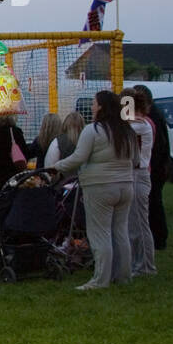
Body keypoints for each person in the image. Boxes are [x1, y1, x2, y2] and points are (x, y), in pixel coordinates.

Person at [50, 90, 138, 290]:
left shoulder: (93, 130)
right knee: (120, 231)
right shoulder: (127, 131)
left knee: (100, 234)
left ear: (102, 107)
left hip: (100, 187)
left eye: (94, 104)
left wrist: (57, 167)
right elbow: (136, 160)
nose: (92, 107)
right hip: (126, 186)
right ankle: (123, 276)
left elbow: (79, 158)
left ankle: (100, 280)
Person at [120, 89, 156, 276]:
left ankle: (145, 266)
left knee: (139, 224)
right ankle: (138, 263)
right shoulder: (137, 123)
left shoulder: (141, 125)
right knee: (132, 223)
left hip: (139, 174)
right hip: (134, 174)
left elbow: (121, 130)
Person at [133, 85, 170, 250]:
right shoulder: (154, 115)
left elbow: (158, 146)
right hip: (156, 167)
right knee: (153, 203)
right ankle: (158, 238)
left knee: (153, 204)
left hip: (153, 168)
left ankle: (159, 238)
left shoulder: (149, 118)